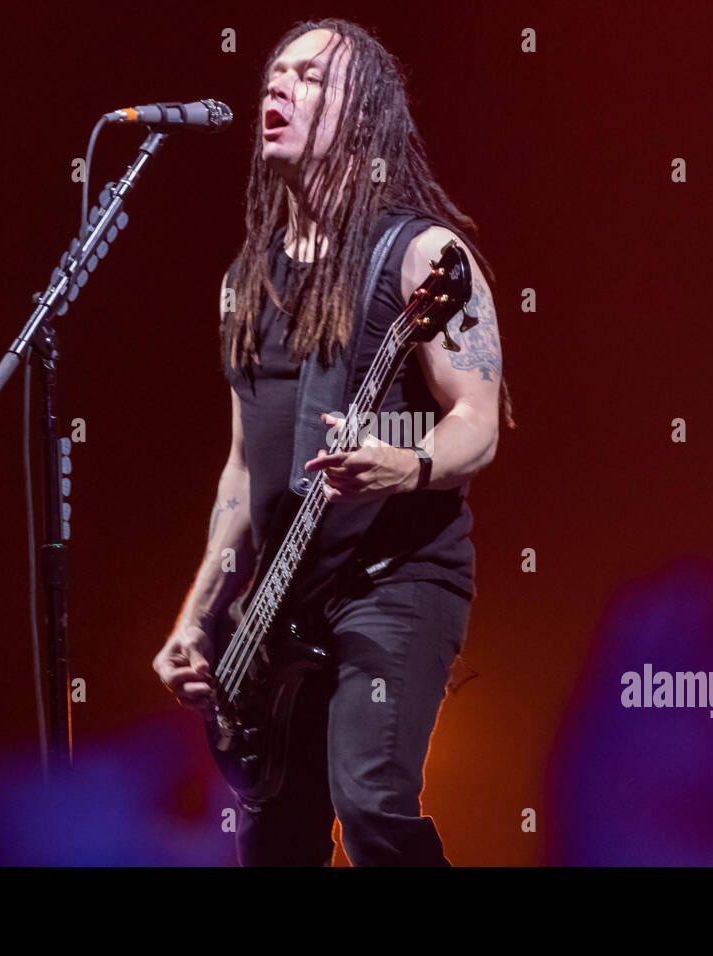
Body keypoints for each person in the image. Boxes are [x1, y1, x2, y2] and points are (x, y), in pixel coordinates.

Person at [153, 17, 511, 866]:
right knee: (275, 839)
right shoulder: (247, 281)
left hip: (395, 576)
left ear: (364, 115)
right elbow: (241, 472)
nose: (278, 86)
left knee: (372, 799)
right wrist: (196, 618)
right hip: (281, 597)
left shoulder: (423, 253)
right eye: (275, 74)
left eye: (310, 76)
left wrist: (406, 464)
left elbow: (477, 419)